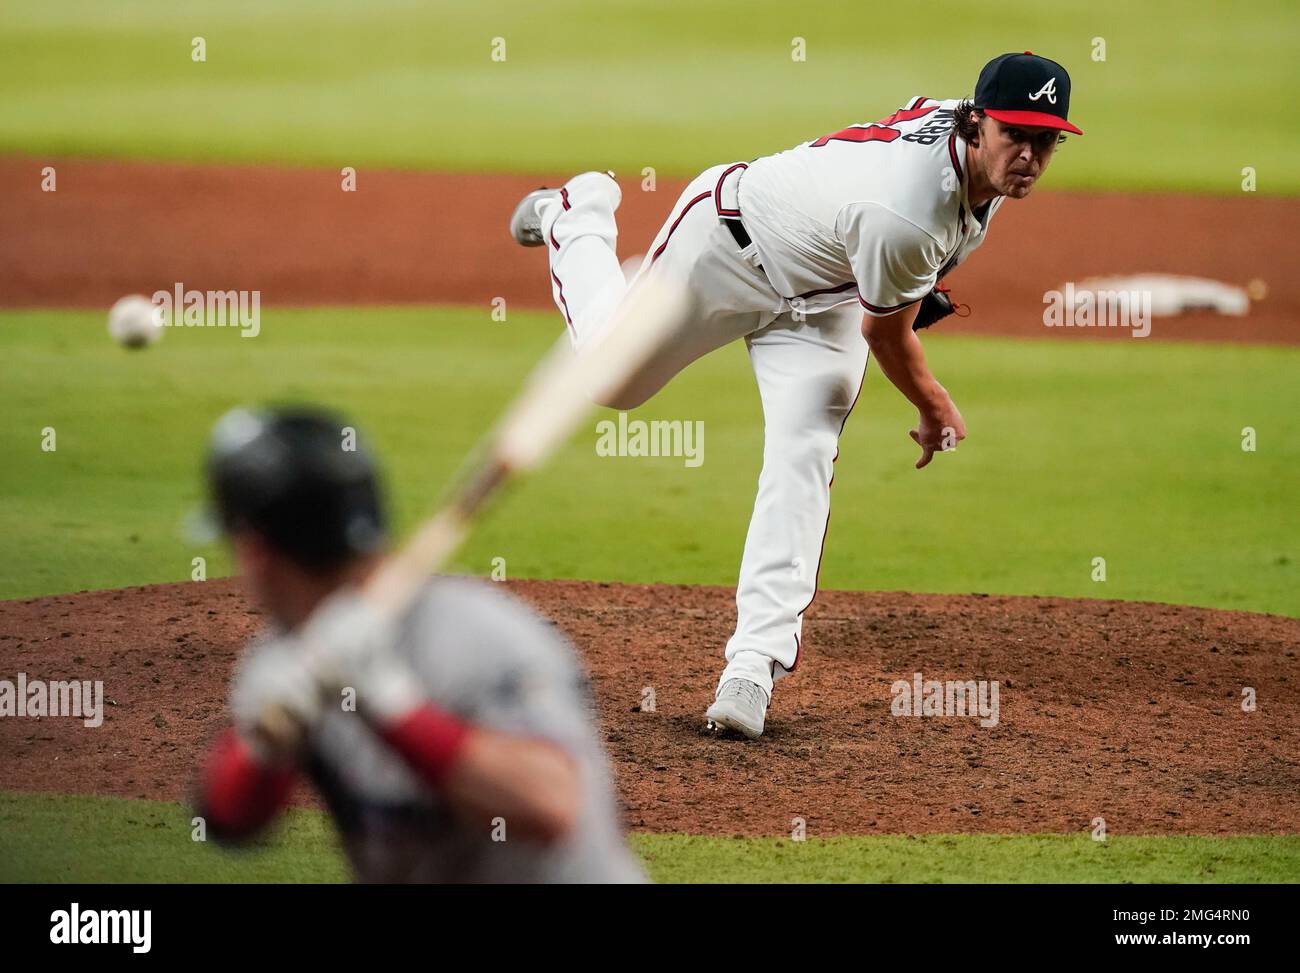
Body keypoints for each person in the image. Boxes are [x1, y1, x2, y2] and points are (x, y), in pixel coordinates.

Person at [508, 52, 1082, 740]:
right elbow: (888, 336)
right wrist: (933, 404)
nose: (1028, 155)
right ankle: (578, 213)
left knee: (804, 449)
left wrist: (888, 267)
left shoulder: (963, 159)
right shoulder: (907, 213)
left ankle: (751, 667)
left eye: (1044, 140)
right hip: (726, 246)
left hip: (823, 296)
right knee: (609, 381)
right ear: (977, 122)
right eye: (1015, 134)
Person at [194, 405, 645, 882]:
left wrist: (390, 702)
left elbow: (550, 805)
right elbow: (228, 821)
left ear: (255, 549)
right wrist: (263, 746)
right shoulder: (284, 657)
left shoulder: (481, 634)